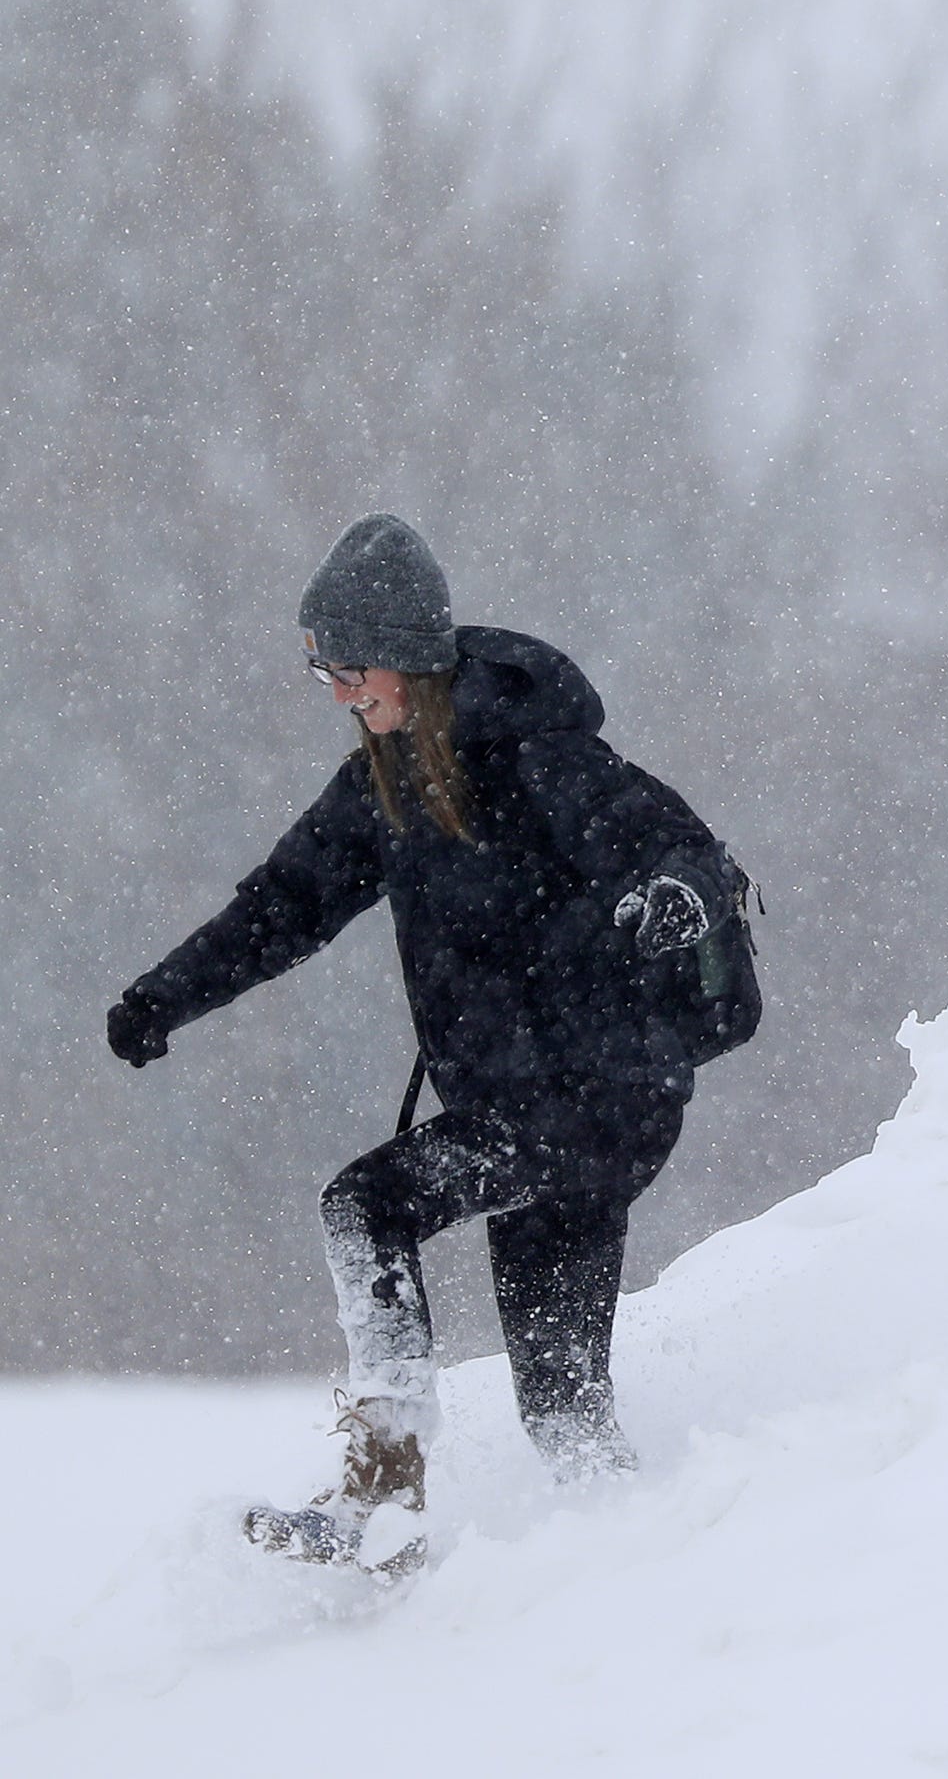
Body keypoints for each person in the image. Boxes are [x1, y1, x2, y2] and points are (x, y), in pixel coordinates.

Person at [107, 514, 731, 1570]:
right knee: (562, 1412)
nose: (346, 699)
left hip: (603, 1093)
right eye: (329, 681)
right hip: (528, 1116)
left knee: (367, 1204)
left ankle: (379, 1495)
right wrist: (163, 998)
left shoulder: (541, 755)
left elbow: (675, 847)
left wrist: (672, 897)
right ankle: (649, 1576)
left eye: (353, 673)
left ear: (406, 657)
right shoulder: (383, 789)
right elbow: (283, 907)